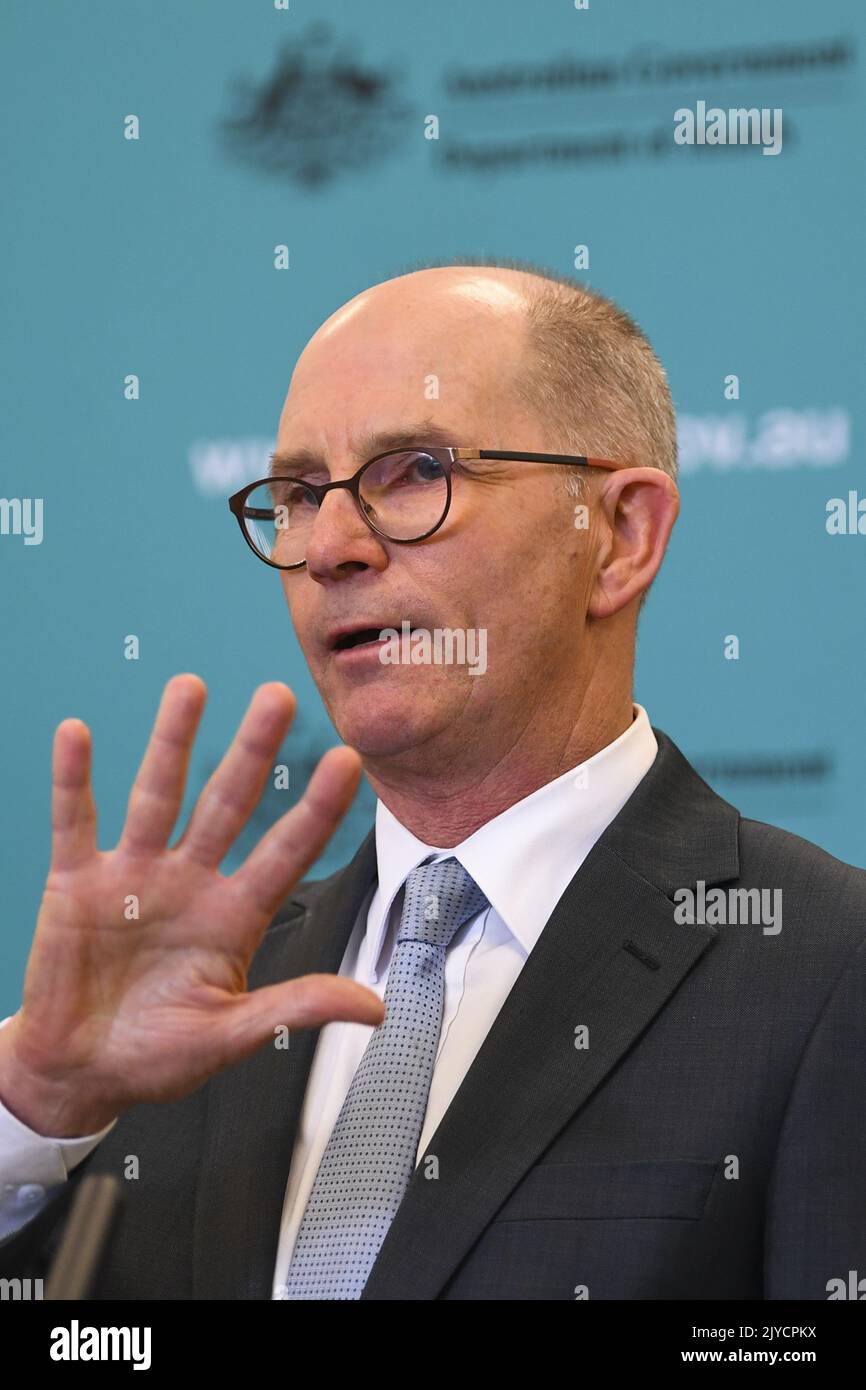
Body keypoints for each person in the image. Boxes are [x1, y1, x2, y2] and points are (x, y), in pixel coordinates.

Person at [1, 261, 863, 1300]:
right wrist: (34, 1110)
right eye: (296, 493)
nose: (328, 547)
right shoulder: (192, 1000)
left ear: (620, 537)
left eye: (413, 471)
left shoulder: (822, 969)